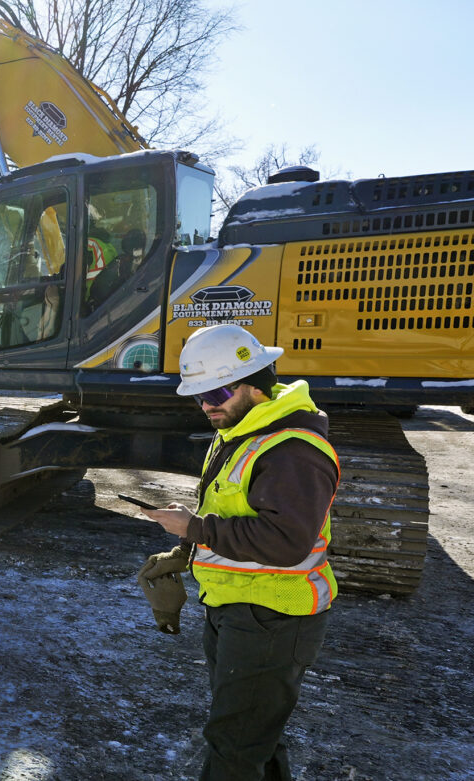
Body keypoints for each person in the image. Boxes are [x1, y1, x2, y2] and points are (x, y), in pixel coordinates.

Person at [138, 323, 340, 781]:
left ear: (256, 384)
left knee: (235, 746)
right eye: (199, 397)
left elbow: (286, 542)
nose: (207, 406)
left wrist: (194, 526)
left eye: (218, 392)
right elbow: (235, 511)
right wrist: (187, 543)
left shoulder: (291, 451)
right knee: (253, 735)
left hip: (271, 617)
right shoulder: (241, 429)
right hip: (236, 608)